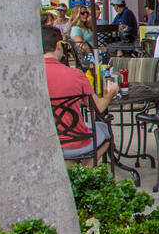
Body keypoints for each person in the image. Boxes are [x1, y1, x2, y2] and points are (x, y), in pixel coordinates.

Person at [42, 24, 117, 159]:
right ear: (59, 46)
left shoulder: (31, 77)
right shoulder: (76, 75)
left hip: (46, 143)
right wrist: (110, 93)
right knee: (105, 130)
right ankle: (87, 167)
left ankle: (75, 168)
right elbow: (98, 108)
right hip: (76, 142)